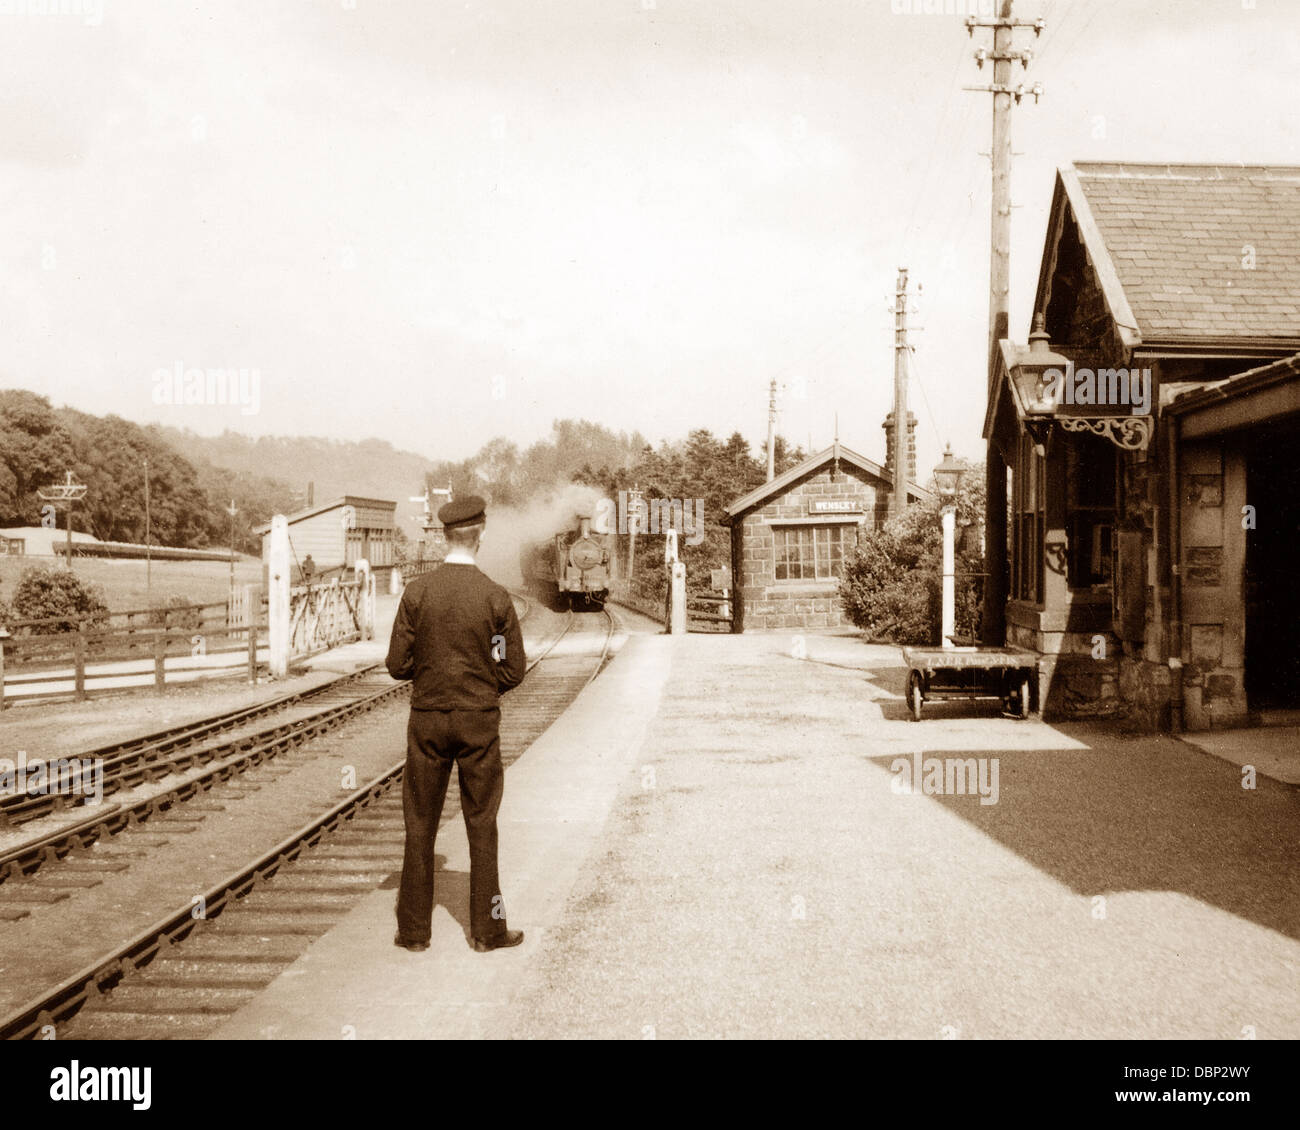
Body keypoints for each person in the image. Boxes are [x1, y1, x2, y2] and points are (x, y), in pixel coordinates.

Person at [386, 494, 528, 953]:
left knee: (419, 822)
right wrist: (479, 686)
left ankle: (413, 932)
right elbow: (510, 670)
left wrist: (430, 676)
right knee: (482, 823)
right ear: (480, 535)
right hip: (478, 724)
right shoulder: (494, 597)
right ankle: (488, 931)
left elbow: (396, 663)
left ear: (444, 535)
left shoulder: (417, 592)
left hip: (427, 722)